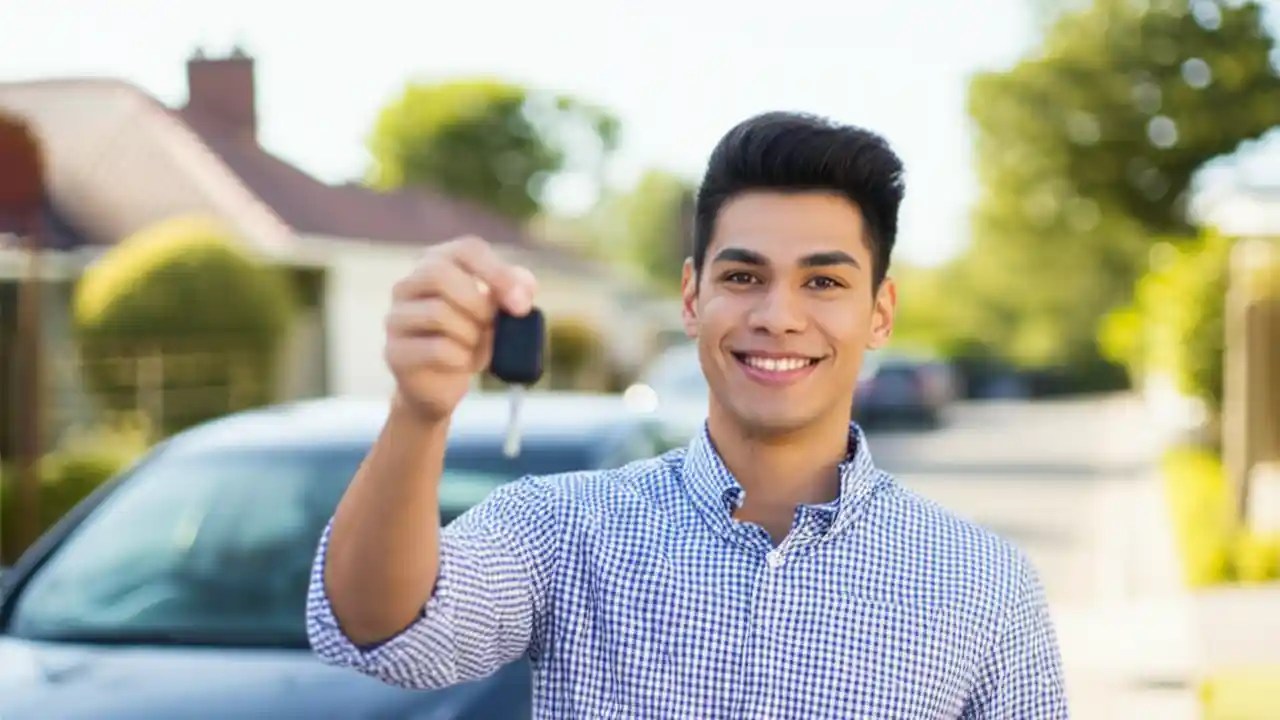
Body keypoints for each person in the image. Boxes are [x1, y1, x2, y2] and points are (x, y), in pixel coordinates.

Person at [306, 111, 1070, 718]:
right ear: (691, 297)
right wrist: (419, 412)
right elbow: (385, 634)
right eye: (743, 275)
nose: (778, 315)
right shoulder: (565, 530)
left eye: (824, 284)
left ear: (881, 312)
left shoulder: (983, 583)